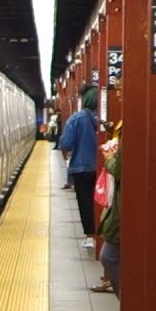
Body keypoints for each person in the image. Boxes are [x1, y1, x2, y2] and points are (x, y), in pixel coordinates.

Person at [56, 83, 100, 249]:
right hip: (103, 168)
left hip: (82, 168)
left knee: (85, 201)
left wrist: (68, 155)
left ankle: (90, 236)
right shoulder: (108, 117)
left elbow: (65, 142)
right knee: (103, 201)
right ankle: (104, 234)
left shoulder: (77, 118)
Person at [96, 120, 122, 311]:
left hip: (122, 210)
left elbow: (120, 167)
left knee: (109, 256)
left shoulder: (129, 128)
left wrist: (110, 160)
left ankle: (129, 306)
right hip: (120, 208)